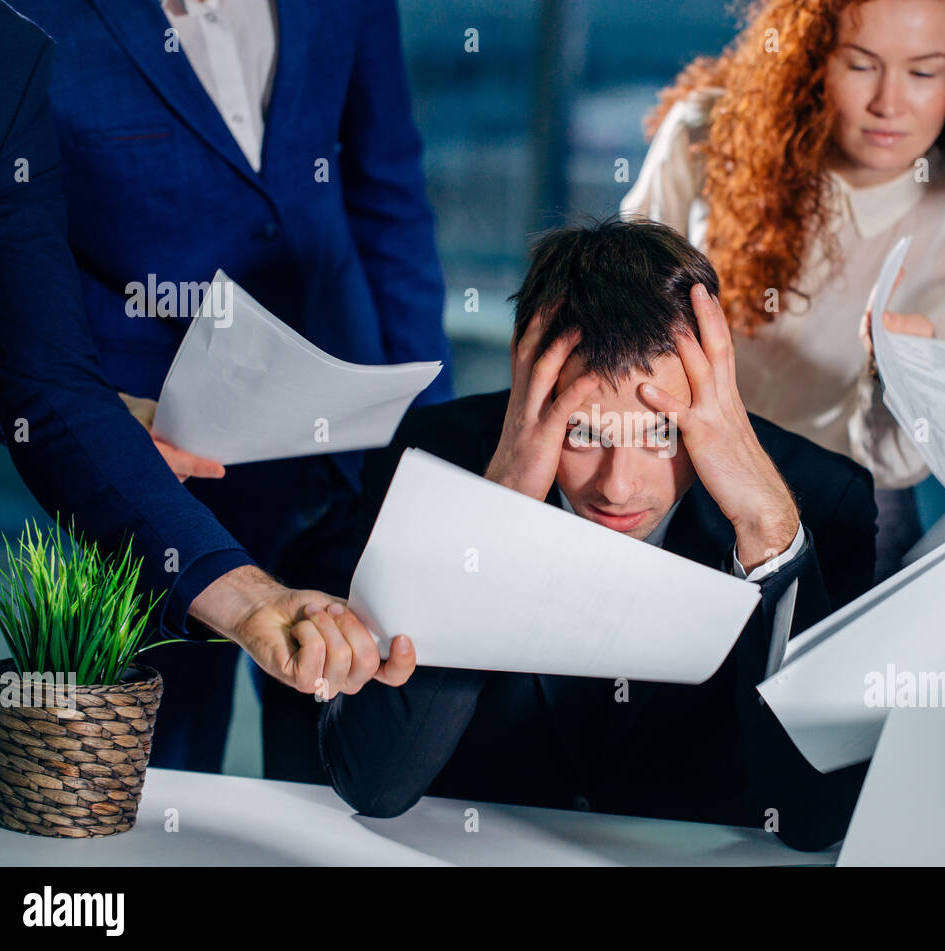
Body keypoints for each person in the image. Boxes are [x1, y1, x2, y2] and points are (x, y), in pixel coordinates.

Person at [316, 219, 878, 851]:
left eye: (660, 433)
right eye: (582, 433)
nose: (618, 486)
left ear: (714, 398)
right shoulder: (428, 463)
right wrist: (489, 509)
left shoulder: (825, 505)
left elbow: (816, 821)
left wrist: (769, 534)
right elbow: (374, 782)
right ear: (532, 389)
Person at [8, 0, 453, 778]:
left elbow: (388, 191)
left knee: (350, 750)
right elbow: (0, 255)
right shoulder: (13, 15)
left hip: (345, 429)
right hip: (145, 446)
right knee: (152, 774)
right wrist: (91, 420)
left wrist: (432, 446)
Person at [621, 0, 945, 580]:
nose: (888, 103)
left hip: (847, 488)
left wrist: (900, 375)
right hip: (679, 460)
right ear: (815, 57)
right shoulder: (705, 132)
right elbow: (615, 319)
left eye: (923, 72)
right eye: (861, 65)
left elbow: (899, 461)